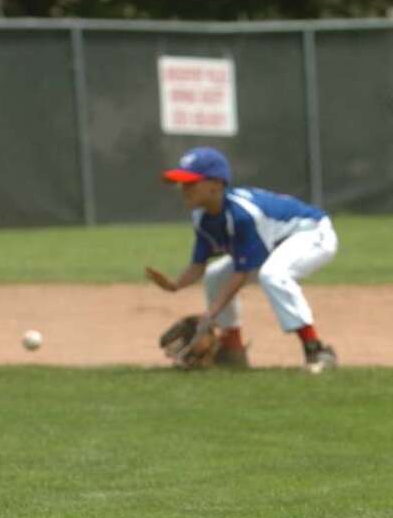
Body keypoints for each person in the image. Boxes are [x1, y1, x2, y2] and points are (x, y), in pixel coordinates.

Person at [144, 146, 339, 373]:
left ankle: (317, 351)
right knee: (215, 276)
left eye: (191, 183)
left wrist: (210, 315)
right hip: (274, 243)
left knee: (273, 274)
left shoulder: (243, 216)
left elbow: (242, 272)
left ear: (216, 185)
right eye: (182, 183)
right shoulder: (202, 216)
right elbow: (199, 265)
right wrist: (175, 285)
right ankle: (231, 351)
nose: (184, 189)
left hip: (312, 234)